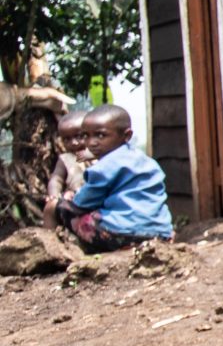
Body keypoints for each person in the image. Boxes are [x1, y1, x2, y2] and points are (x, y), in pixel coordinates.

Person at [52, 105, 172, 251]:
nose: (92, 142)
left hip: (120, 233)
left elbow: (82, 203)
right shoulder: (148, 162)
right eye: (86, 136)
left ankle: (54, 249)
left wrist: (66, 200)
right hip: (160, 232)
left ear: (126, 136)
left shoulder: (104, 167)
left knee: (61, 207)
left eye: (100, 135)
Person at [42, 110, 95, 222]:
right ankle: (49, 237)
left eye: (79, 136)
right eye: (67, 139)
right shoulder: (65, 159)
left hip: (98, 198)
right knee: (50, 207)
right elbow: (56, 179)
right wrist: (54, 195)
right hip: (75, 199)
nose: (74, 143)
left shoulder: (100, 153)